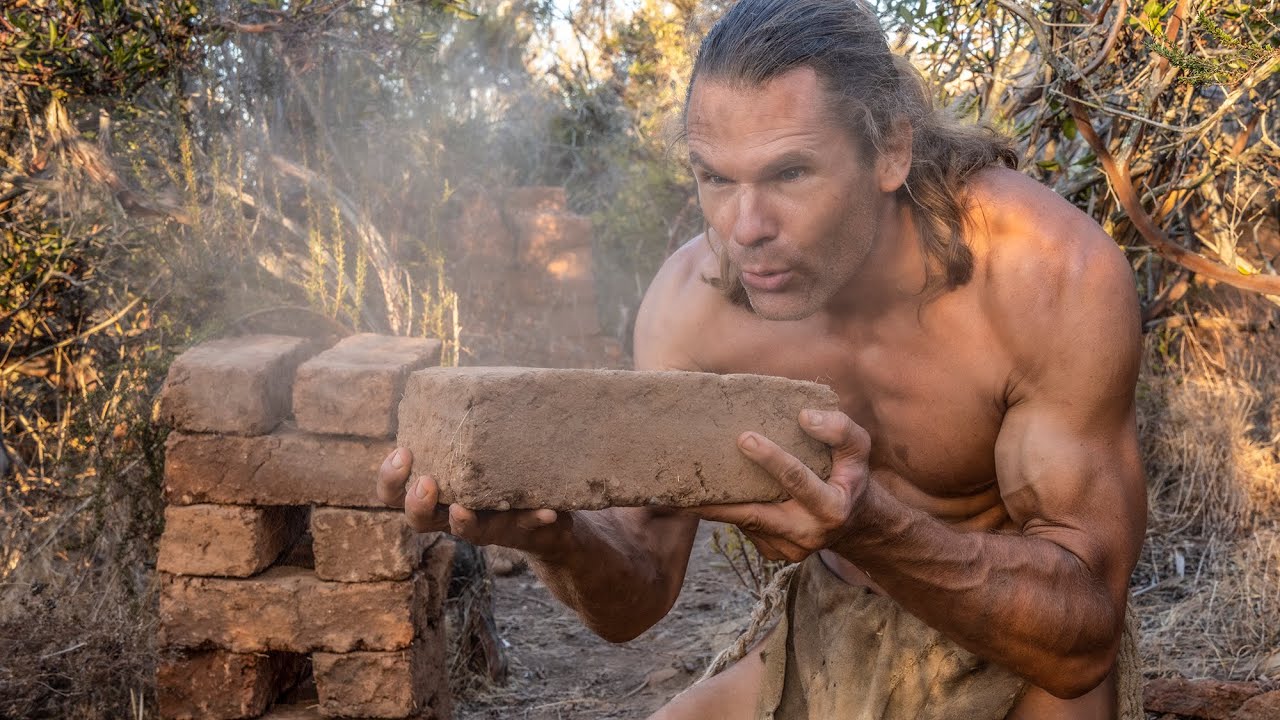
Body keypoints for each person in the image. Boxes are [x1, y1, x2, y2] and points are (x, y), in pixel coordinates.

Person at [376, 0, 1147, 717]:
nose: (745, 228)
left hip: (1021, 644)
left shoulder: (1045, 273)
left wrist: (868, 528)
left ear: (890, 150)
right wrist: (556, 536)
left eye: (789, 174)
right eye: (715, 178)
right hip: (829, 629)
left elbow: (1081, 637)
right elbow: (637, 595)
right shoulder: (691, 309)